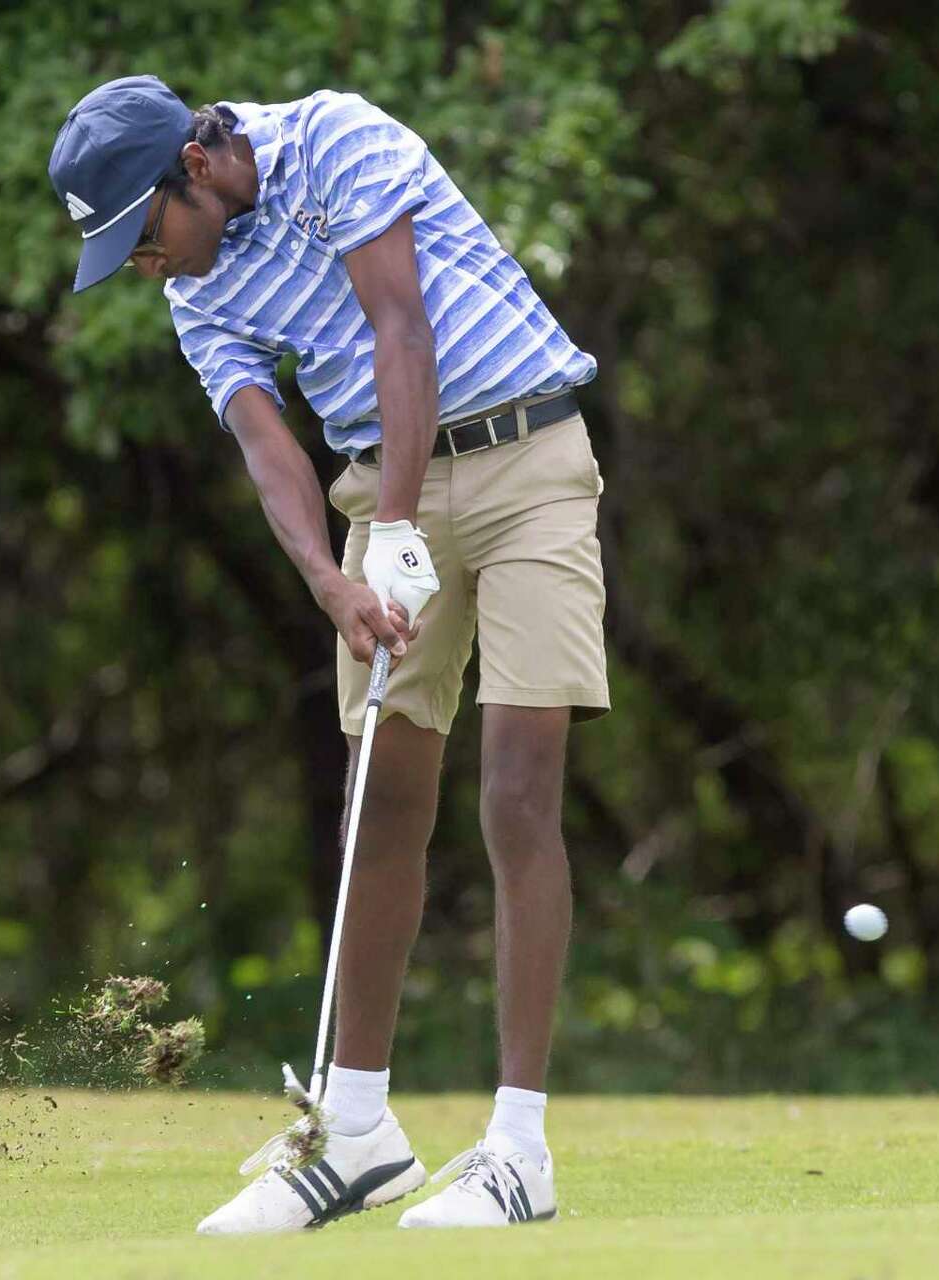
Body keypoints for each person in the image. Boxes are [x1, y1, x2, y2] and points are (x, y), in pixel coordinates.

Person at [49, 75, 607, 1231]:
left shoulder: (336, 140)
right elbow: (263, 439)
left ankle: (519, 1147)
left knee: (516, 787)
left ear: (194, 167)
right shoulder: (198, 287)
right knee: (380, 802)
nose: (148, 265)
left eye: (144, 235)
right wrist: (334, 575)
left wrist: (395, 524)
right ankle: (357, 1131)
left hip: (525, 462)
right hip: (381, 489)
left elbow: (401, 325)